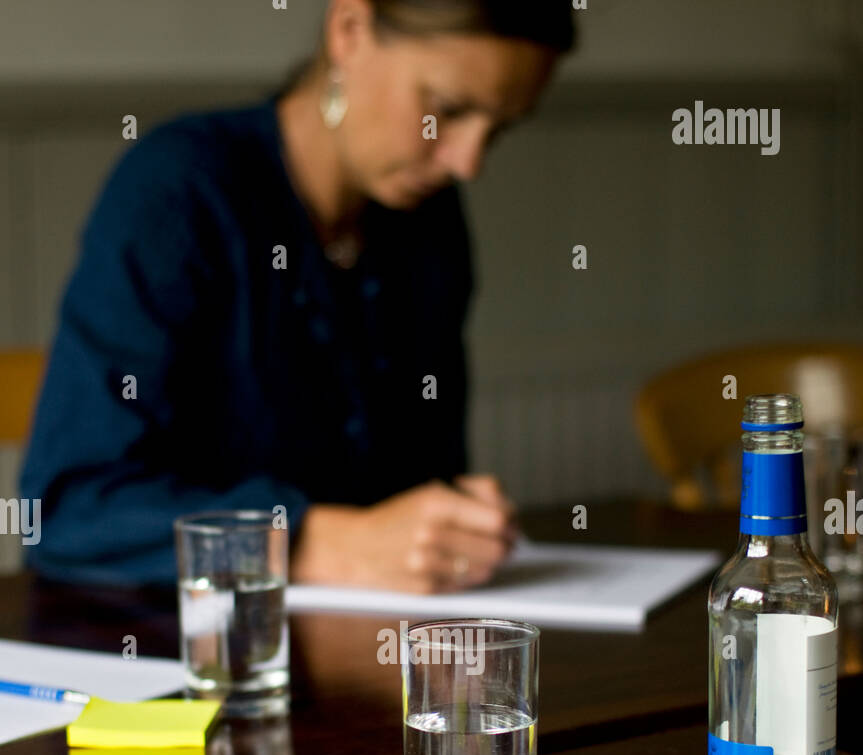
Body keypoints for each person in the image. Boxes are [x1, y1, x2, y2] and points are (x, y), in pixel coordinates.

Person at [20, 0, 576, 590]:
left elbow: (418, 479)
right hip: (178, 657)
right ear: (350, 30)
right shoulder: (179, 191)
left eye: (501, 128)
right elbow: (65, 513)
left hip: (367, 650)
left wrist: (451, 525)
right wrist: (315, 543)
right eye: (447, 109)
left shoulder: (426, 223)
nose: (467, 162)